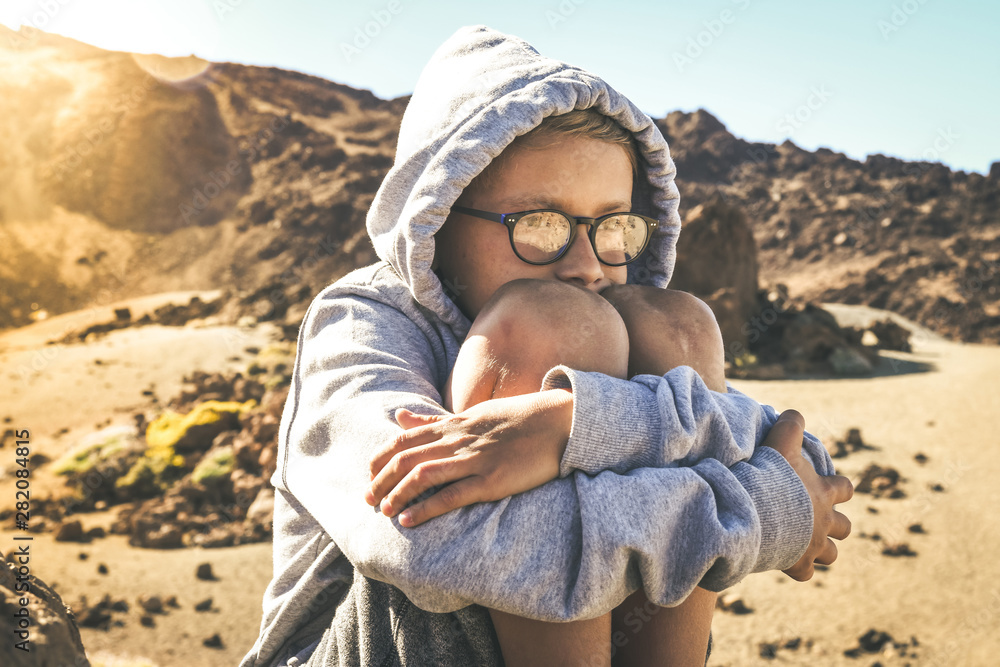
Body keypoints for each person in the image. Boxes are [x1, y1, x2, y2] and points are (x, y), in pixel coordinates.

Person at [240, 24, 853, 667]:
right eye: (540, 224)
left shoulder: (631, 322)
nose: (588, 264)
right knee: (553, 327)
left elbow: (796, 452)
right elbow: (431, 542)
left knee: (681, 326)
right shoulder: (364, 321)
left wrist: (569, 425)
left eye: (613, 226)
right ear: (438, 222)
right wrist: (755, 508)